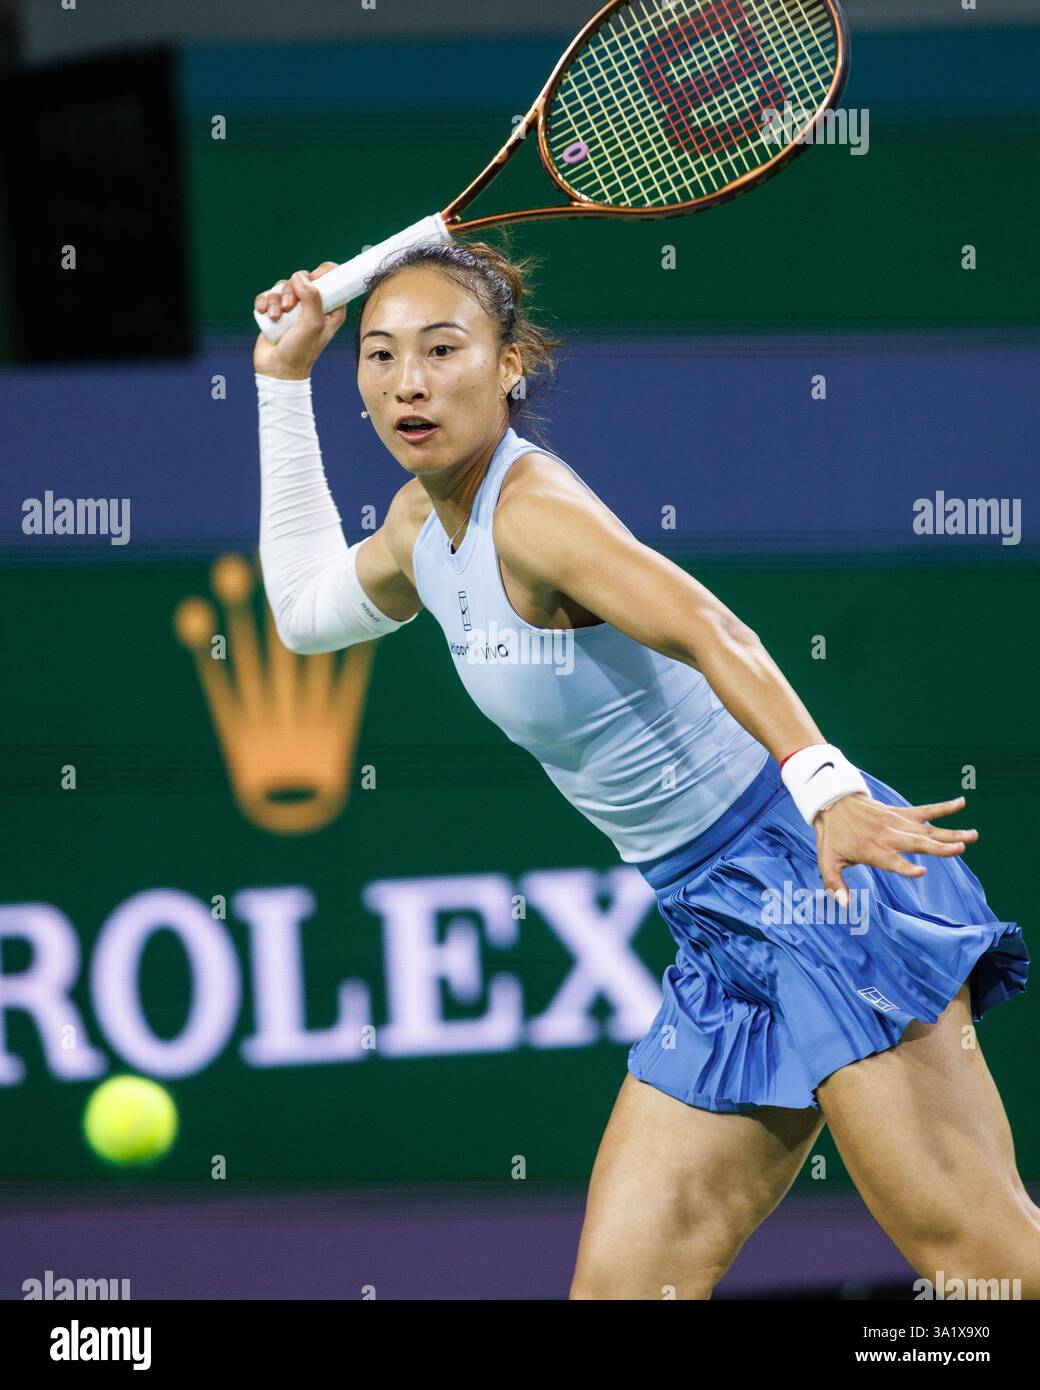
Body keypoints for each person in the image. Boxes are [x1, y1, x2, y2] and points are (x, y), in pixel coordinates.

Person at [253, 242, 1035, 1301]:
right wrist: (280, 381)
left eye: (444, 349)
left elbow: (712, 628)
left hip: (818, 876)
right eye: (381, 355)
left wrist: (829, 790)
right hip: (713, 928)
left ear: (509, 363)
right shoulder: (415, 528)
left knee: (984, 1270)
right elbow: (301, 613)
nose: (408, 382)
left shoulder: (533, 516)